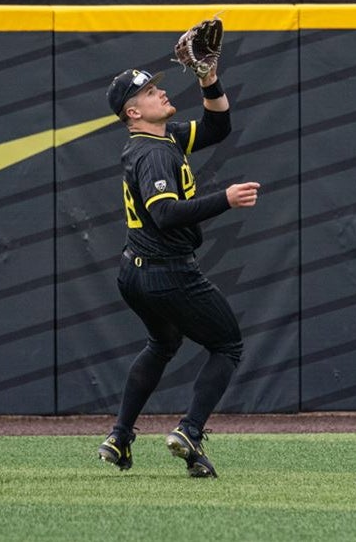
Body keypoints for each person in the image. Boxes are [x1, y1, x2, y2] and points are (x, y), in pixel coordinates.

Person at [97, 64, 259, 478]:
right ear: (133, 112)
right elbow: (166, 214)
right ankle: (189, 430)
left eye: (157, 87)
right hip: (166, 273)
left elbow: (218, 127)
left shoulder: (163, 135)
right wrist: (225, 199)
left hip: (133, 272)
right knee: (227, 345)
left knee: (162, 343)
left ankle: (119, 436)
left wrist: (209, 79)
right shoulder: (152, 152)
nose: (161, 93)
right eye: (150, 92)